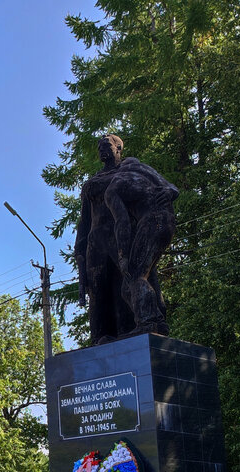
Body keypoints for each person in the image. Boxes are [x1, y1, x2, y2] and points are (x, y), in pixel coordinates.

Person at [74, 134, 177, 343]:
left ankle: (135, 330)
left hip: (125, 234)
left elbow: (164, 185)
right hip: (96, 241)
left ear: (118, 148)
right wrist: (79, 250)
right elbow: (84, 220)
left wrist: (169, 192)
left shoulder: (131, 169)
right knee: (98, 289)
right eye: (99, 146)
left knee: (130, 278)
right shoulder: (91, 183)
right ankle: (100, 337)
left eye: (106, 145)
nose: (101, 149)